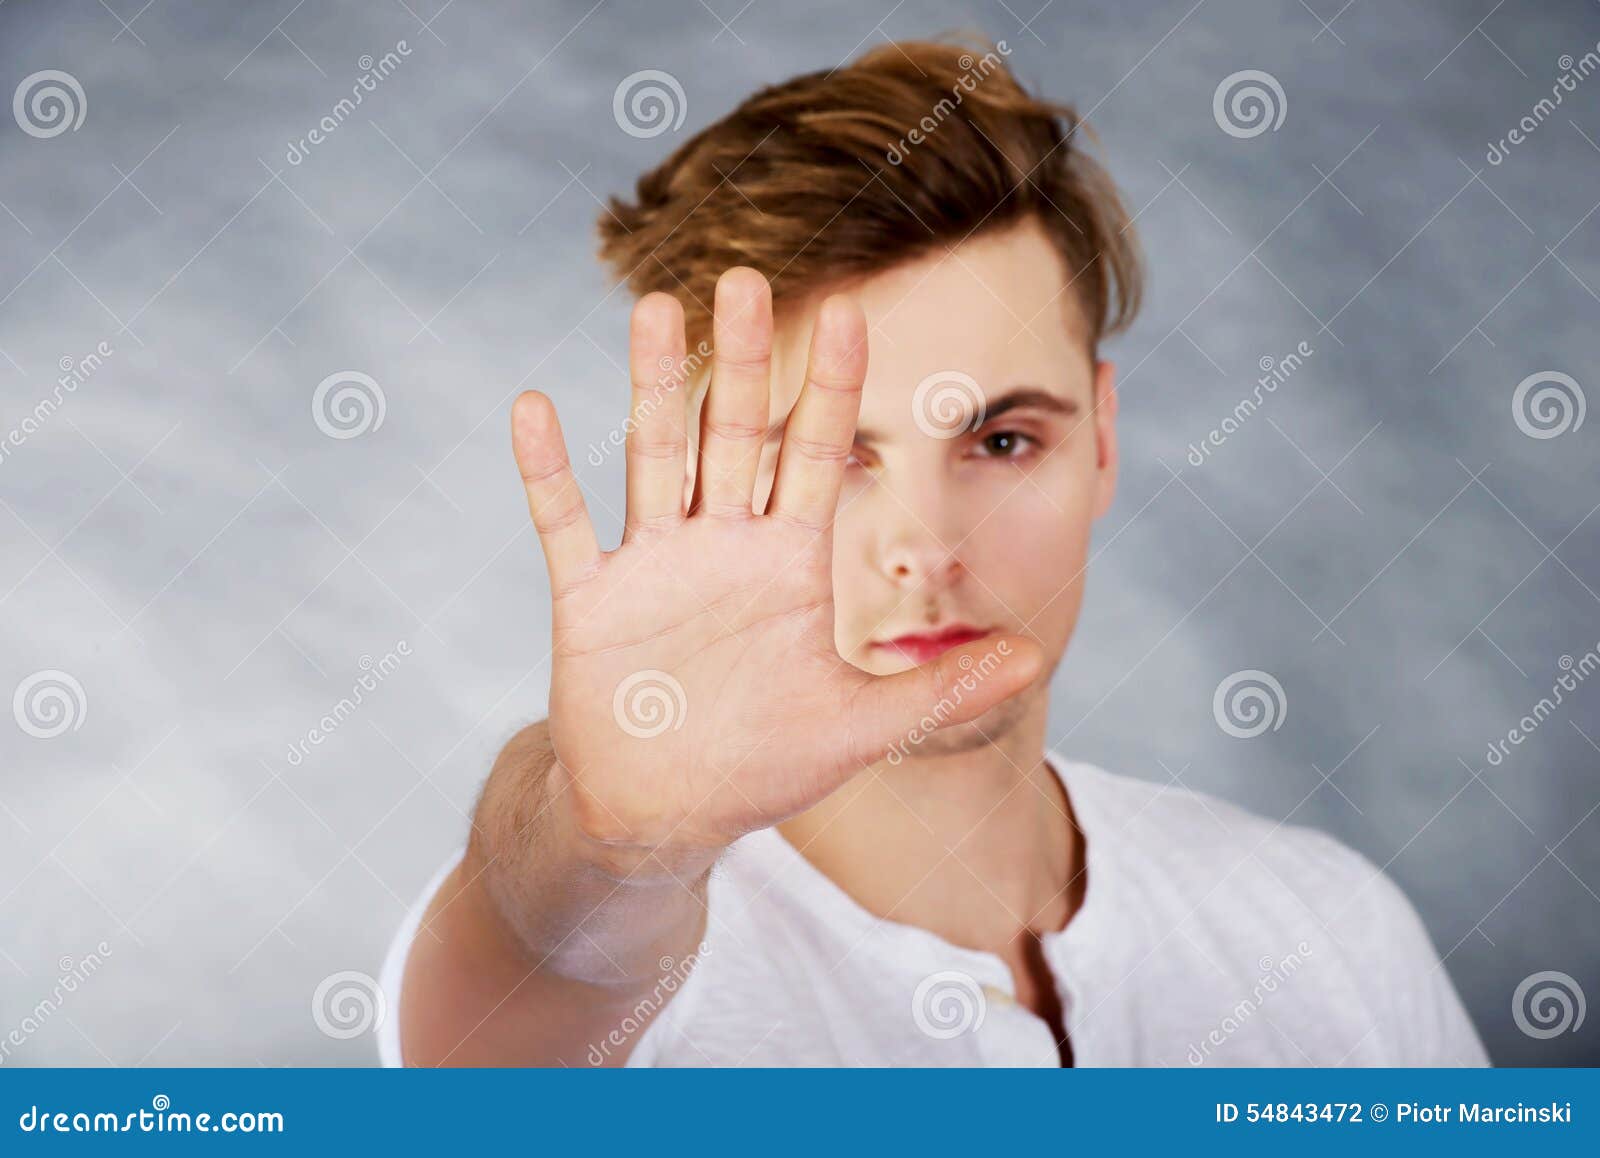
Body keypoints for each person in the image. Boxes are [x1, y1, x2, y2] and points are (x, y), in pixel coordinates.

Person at [379, 39, 1486, 1067]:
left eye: (1002, 442)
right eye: (831, 458)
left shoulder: (1331, 935)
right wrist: (607, 845)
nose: (927, 548)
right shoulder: (625, 1003)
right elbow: (527, 989)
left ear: (1101, 441)